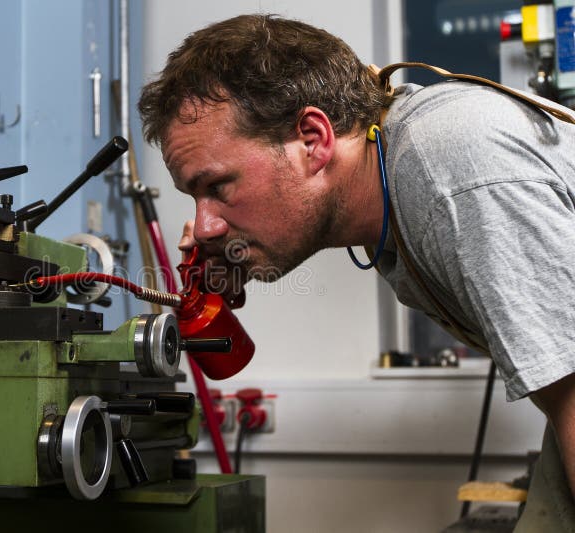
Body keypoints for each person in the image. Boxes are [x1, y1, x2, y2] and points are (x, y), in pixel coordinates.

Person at [138, 13, 575, 530]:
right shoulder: (388, 175)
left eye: (217, 186)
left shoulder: (449, 174)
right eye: (195, 198)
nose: (203, 225)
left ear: (312, 139)